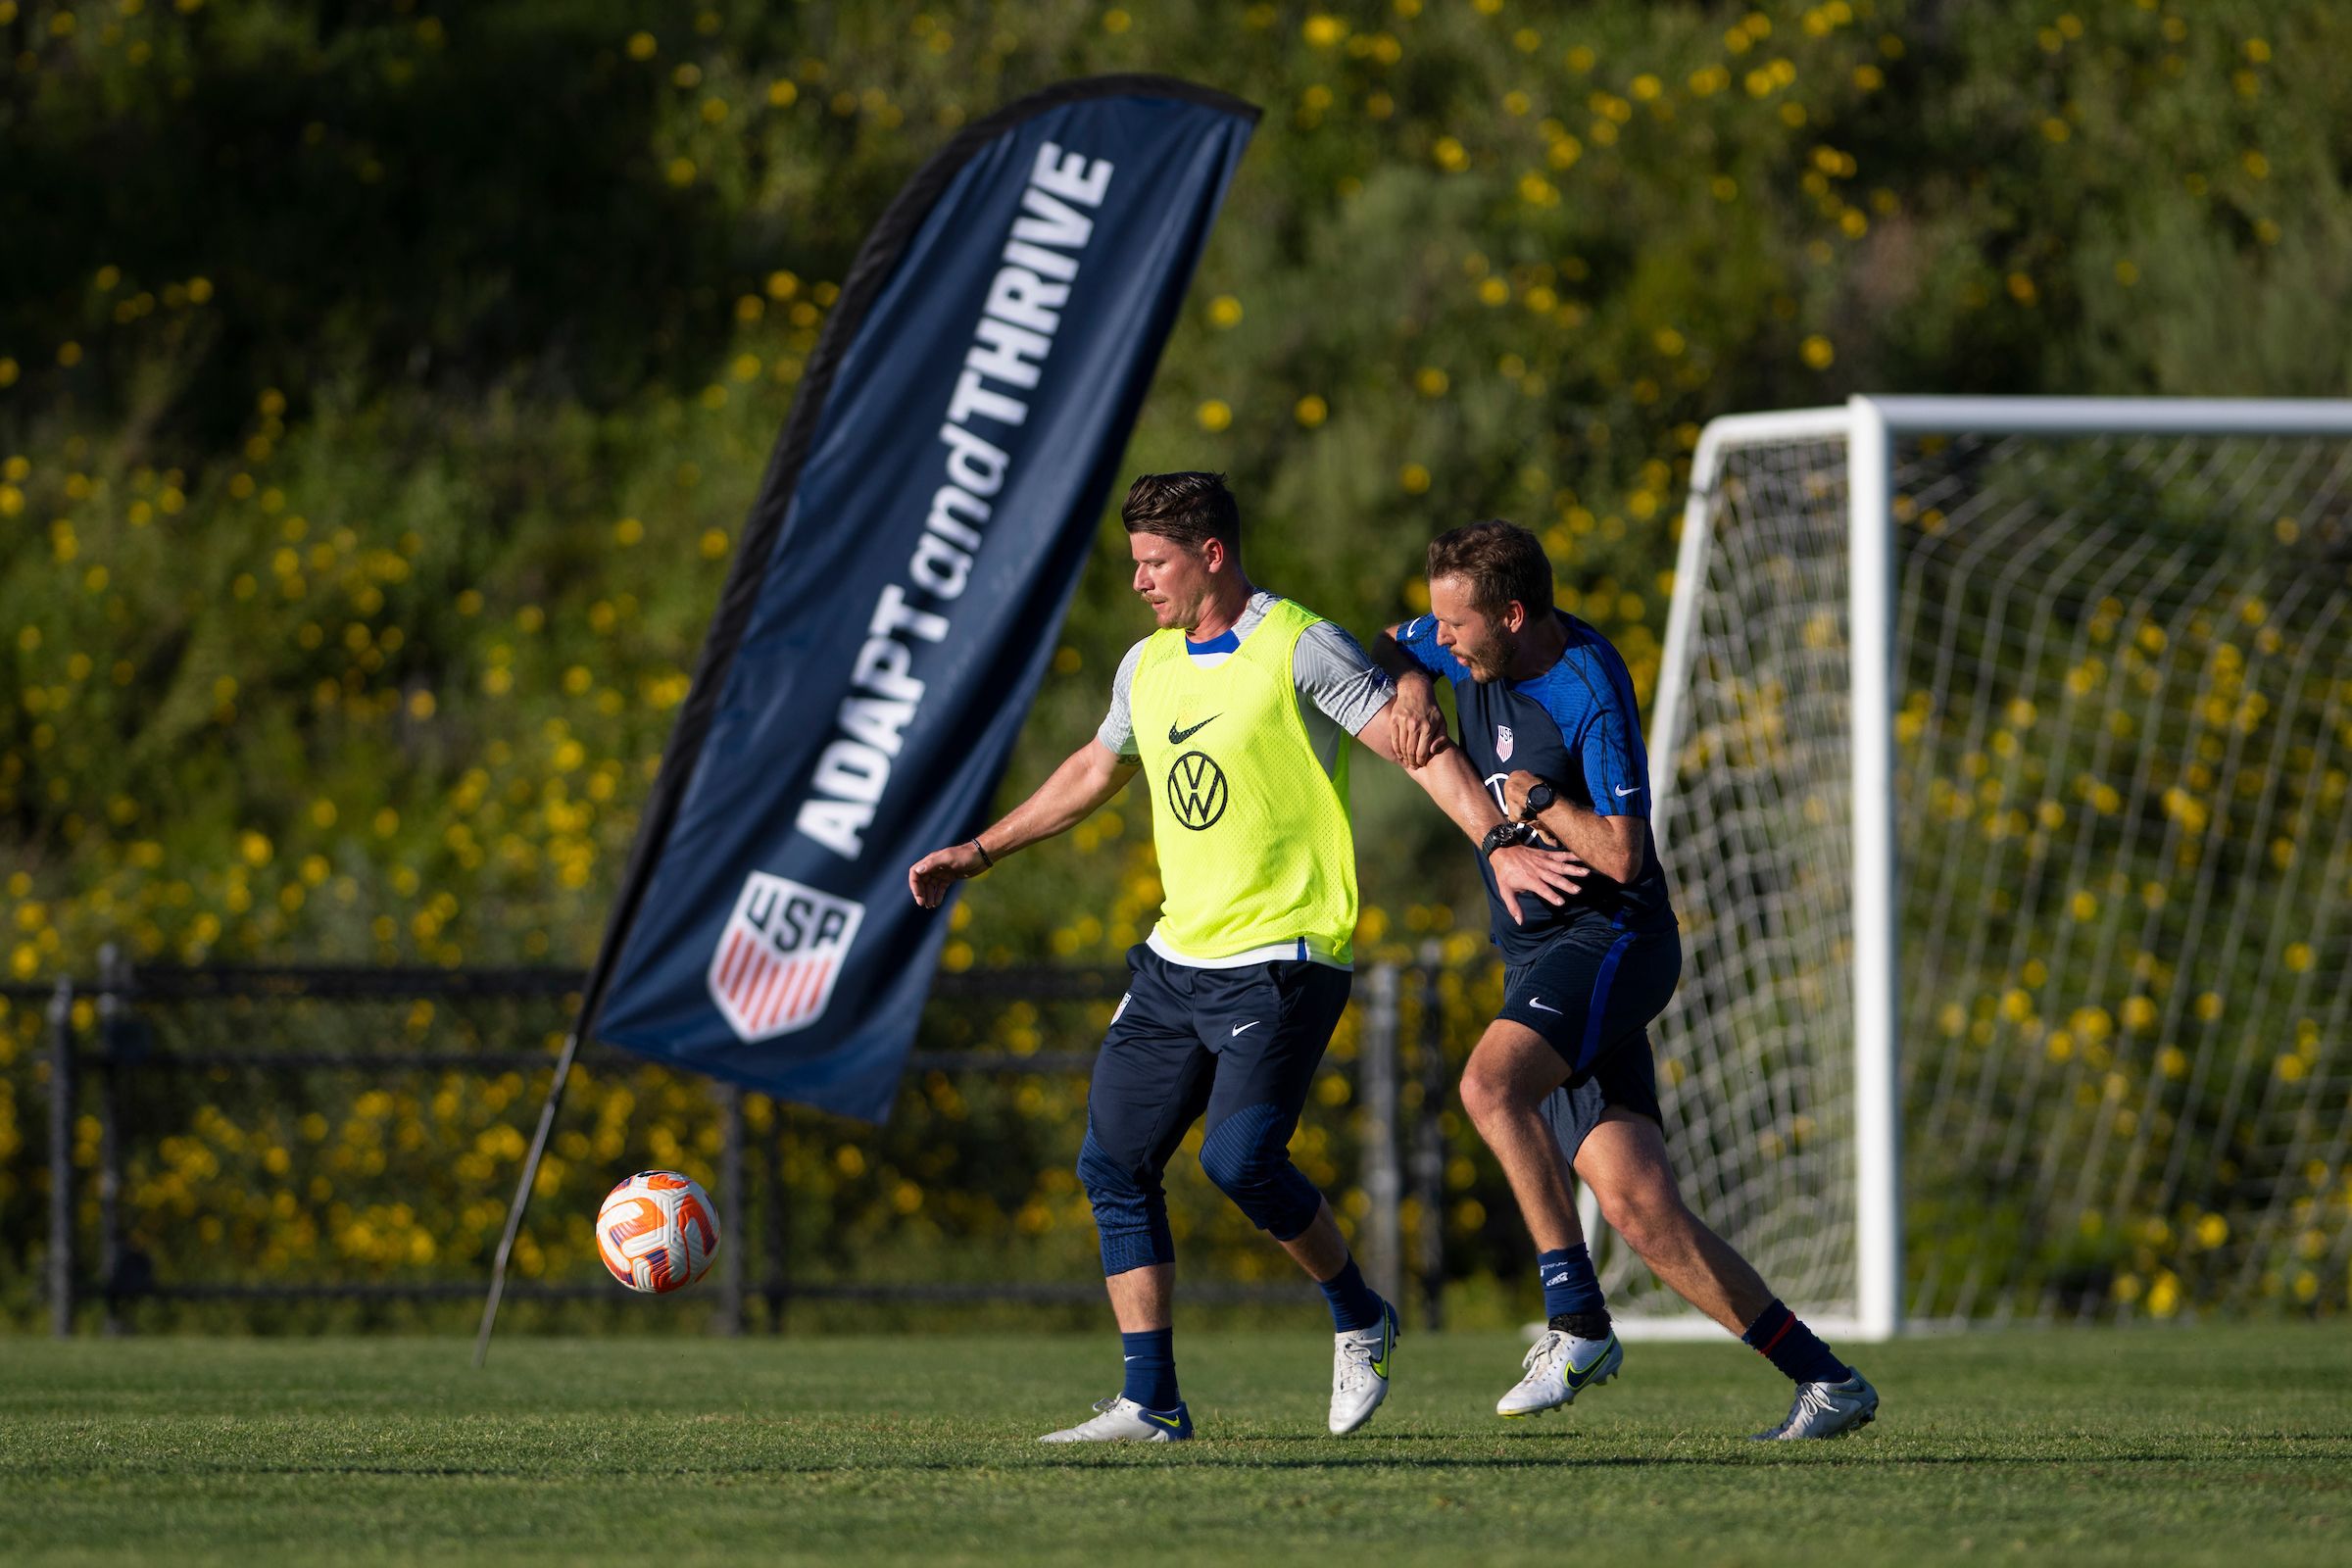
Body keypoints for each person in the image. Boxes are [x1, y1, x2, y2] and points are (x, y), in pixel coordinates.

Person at [909, 475, 1578, 1444]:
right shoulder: (1145, 666)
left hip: (1286, 953)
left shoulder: (1298, 644)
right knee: (1113, 1162)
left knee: (1238, 1158)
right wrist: (976, 852)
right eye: (1135, 561)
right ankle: (1152, 1400)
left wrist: (1496, 840)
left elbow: (1418, 747)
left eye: (1155, 561)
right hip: (1176, 959)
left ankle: (1360, 1314)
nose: (1138, 579)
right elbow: (1097, 769)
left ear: (1212, 553)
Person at [1373, 518, 1879, 1441]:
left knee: (1489, 1085)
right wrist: (1413, 681)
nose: (1440, 637)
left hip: (1613, 941)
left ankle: (1575, 1321)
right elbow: (1395, 641)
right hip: (1542, 955)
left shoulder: (1586, 690)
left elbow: (1620, 852)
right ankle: (1828, 1382)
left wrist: (1534, 798)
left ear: (1514, 615)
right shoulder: (1462, 642)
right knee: (1643, 1212)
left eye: (1455, 628)